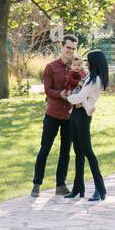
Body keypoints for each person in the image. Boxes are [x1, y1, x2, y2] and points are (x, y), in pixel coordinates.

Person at [31, 34, 78, 198]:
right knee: (45, 149)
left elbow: (84, 85)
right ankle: (36, 184)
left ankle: (60, 185)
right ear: (62, 47)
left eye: (73, 48)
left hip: (69, 116)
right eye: (68, 47)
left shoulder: (77, 67)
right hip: (52, 114)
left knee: (65, 151)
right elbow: (48, 90)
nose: (70, 51)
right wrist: (61, 94)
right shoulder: (51, 67)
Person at [65, 49, 109, 202]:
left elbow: (80, 97)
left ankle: (100, 189)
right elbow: (80, 94)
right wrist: (74, 99)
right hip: (75, 114)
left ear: (94, 62)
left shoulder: (97, 79)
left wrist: (68, 98)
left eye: (88, 61)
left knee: (88, 152)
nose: (86, 64)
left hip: (83, 116)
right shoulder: (90, 76)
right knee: (78, 152)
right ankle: (78, 188)